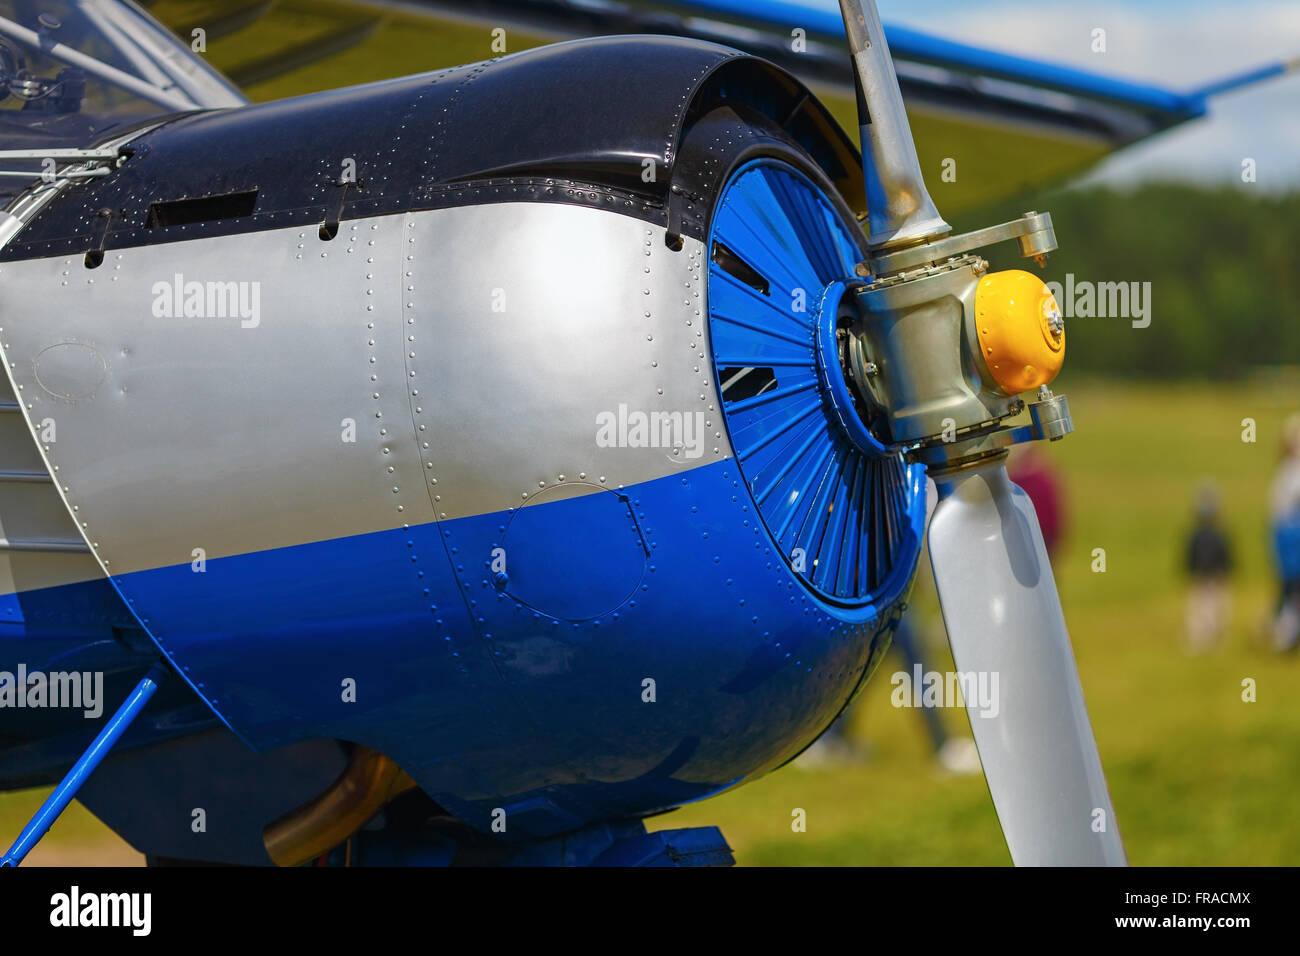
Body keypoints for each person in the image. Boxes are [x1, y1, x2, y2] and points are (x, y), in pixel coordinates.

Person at [1184, 482, 1233, 653]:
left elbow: (1189, 556)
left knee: (1201, 609)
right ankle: (1210, 640)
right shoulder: (1220, 534)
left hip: (1202, 577)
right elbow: (1226, 556)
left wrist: (1190, 572)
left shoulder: (1194, 534)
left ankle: (1200, 641)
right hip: (1214, 577)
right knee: (1213, 609)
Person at [1270, 414, 1300, 652]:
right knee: (1289, 590)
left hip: (1290, 539)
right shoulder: (1287, 472)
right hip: (1289, 541)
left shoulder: (1291, 473)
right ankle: (1286, 635)